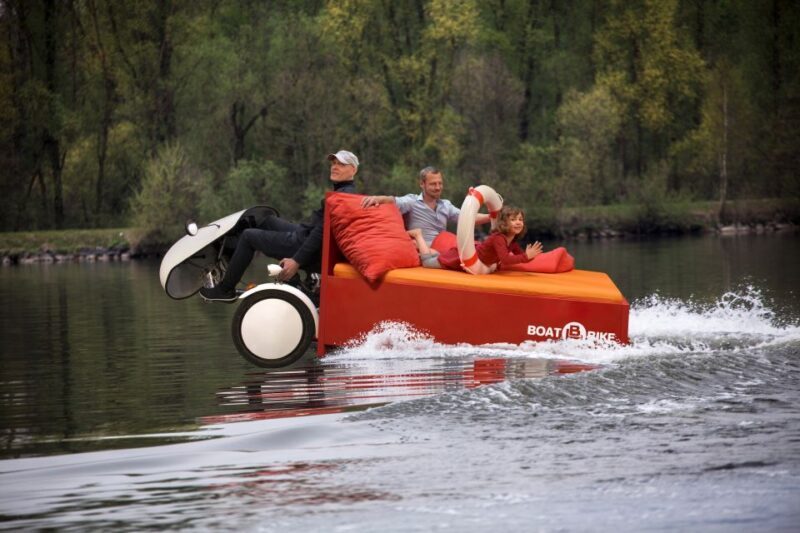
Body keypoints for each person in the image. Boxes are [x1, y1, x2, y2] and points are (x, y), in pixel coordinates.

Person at [199, 150, 359, 302]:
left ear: (353, 170)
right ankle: (234, 256)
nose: (334, 167)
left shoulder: (342, 198)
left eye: (341, 164)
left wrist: (296, 261)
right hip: (306, 236)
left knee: (249, 236)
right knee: (268, 221)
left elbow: (321, 233)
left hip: (308, 247)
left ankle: (225, 289)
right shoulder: (345, 193)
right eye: (333, 163)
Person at [360, 166, 489, 246]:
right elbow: (393, 200)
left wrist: (491, 216)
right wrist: (377, 198)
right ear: (422, 184)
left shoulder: (446, 205)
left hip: (443, 247)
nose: (438, 187)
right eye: (433, 184)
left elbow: (468, 218)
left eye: (440, 183)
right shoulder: (412, 201)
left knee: (474, 247)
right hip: (425, 250)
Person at [410, 206, 543, 272]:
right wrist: (526, 256)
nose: (518, 222)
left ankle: (421, 247)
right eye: (513, 220)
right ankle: (418, 235)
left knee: (439, 256)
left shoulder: (512, 241)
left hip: (471, 259)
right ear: (503, 223)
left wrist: (530, 255)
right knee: (427, 263)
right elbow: (506, 259)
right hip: (461, 260)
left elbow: (521, 257)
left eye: (520, 219)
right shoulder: (499, 238)